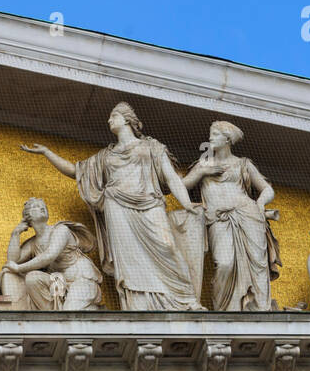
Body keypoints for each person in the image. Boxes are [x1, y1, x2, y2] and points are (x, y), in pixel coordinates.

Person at [21, 101, 204, 310]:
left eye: (113, 116)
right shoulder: (106, 156)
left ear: (127, 119)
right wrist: (47, 152)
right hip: (117, 208)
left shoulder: (152, 147)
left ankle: (186, 300)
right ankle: (137, 305)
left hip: (150, 203)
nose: (109, 120)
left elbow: (171, 179)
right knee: (129, 260)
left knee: (166, 246)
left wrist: (187, 204)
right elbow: (76, 171)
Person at [181, 121, 281, 310]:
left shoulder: (243, 164)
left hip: (248, 216)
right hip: (219, 219)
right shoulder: (204, 164)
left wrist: (260, 203)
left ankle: (259, 308)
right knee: (224, 263)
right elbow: (182, 185)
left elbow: (267, 189)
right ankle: (224, 311)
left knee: (257, 265)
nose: (210, 138)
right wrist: (203, 171)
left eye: (215, 134)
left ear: (227, 139)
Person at [1, 198, 102, 311]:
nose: (41, 207)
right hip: (60, 282)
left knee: (70, 312)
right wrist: (15, 234)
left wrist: (19, 268)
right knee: (32, 278)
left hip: (81, 278)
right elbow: (12, 261)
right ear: (27, 216)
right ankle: (50, 315)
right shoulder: (33, 243)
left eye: (43, 205)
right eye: (36, 206)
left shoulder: (61, 230)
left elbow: (50, 255)